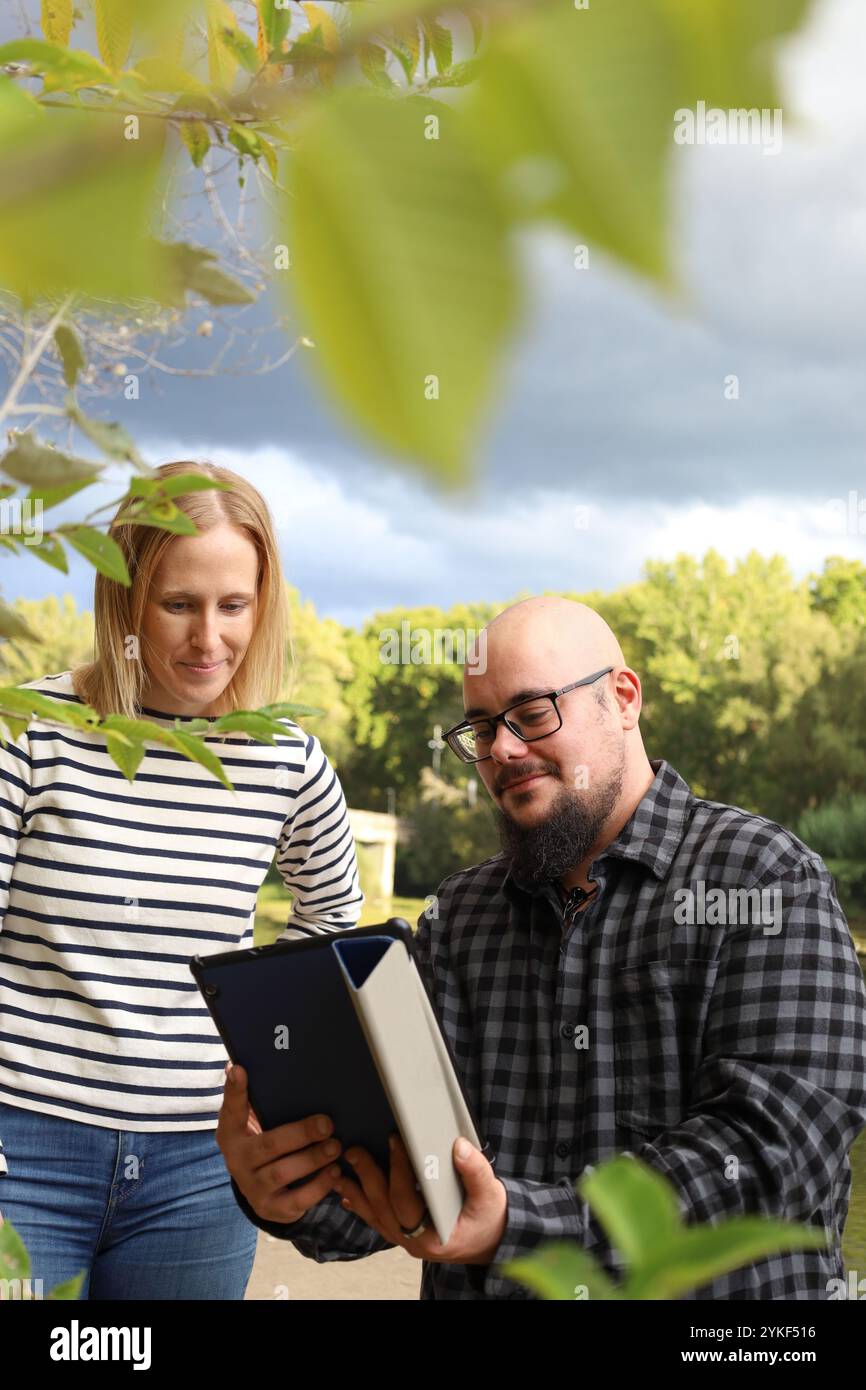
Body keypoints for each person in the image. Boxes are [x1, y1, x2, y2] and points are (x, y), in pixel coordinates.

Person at [219, 594, 866, 1300]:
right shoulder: (459, 916)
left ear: (623, 698)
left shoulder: (763, 878)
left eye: (531, 715)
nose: (501, 749)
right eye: (481, 727)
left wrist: (517, 1227)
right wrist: (290, 1191)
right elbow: (412, 1191)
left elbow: (774, 1153)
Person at [0, 460, 362, 1299]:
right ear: (124, 602)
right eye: (178, 605)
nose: (209, 640)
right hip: (24, 1151)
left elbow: (335, 928)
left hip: (198, 1172)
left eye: (234, 606)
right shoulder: (32, 734)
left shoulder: (285, 761)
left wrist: (263, 1046)